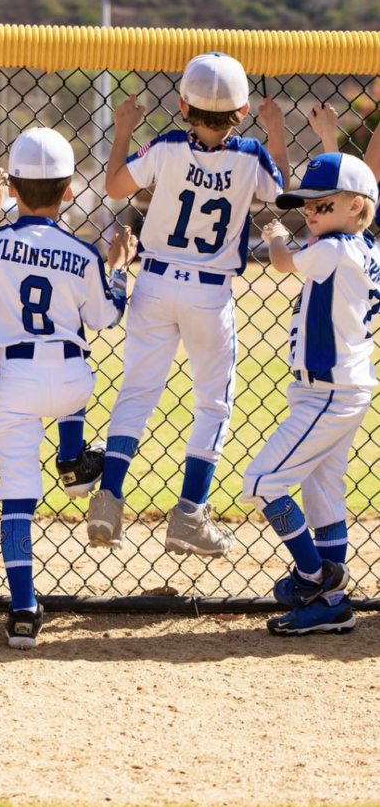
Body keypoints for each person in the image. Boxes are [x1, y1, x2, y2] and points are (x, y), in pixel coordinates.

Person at [90, 52, 289, 556]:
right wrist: (277, 131)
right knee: (213, 402)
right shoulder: (249, 155)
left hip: (154, 282)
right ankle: (188, 514)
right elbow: (284, 195)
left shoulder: (168, 146)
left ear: (181, 104)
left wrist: (122, 129)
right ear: (241, 112)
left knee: (136, 391)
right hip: (209, 291)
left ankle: (109, 500)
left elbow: (115, 186)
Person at [0, 129, 136, 647]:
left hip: (15, 381)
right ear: (68, 193)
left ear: (12, 188)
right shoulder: (82, 252)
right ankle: (74, 463)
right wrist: (117, 270)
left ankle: (22, 609)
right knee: (75, 378)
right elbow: (104, 318)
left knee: (16, 497)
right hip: (70, 379)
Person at [245, 151, 380, 634]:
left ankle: (312, 575)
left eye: (323, 206)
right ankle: (333, 605)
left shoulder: (334, 248)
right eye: (307, 206)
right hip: (336, 387)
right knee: (323, 493)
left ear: (355, 208)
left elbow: (281, 261)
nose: (311, 213)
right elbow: (369, 185)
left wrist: (277, 236)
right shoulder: (362, 247)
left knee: (262, 482)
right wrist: (329, 138)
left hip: (328, 389)